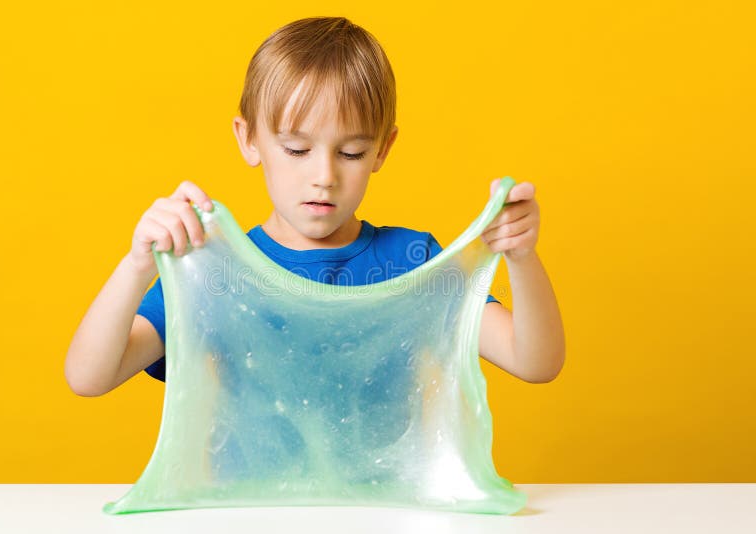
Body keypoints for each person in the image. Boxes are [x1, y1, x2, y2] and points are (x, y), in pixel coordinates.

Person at [65, 16, 564, 397]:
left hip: (383, 511)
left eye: (351, 153)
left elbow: (535, 361)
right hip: (250, 513)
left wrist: (521, 258)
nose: (324, 177)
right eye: (297, 150)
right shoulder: (216, 271)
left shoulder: (411, 262)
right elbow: (90, 377)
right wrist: (136, 266)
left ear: (382, 151)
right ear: (250, 139)